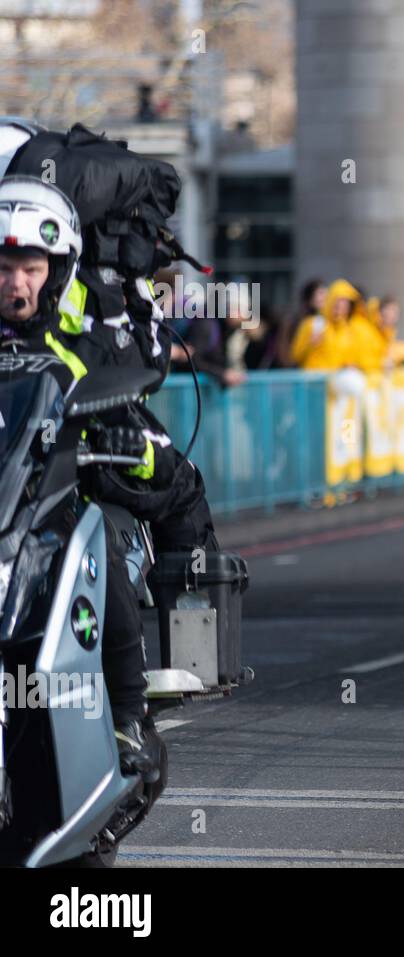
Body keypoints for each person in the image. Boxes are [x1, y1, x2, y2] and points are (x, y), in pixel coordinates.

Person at [0, 176, 162, 776]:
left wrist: (124, 440)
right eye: (3, 267)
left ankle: (127, 718)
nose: (16, 282)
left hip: (56, 508)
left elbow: (143, 435)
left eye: (30, 267)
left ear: (57, 269)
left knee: (97, 551)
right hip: (0, 513)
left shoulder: (83, 347)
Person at [289, 278, 361, 371]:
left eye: (346, 302)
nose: (341, 306)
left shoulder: (348, 329)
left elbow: (347, 357)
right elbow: (295, 356)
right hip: (314, 382)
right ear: (331, 300)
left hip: (336, 382)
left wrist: (349, 365)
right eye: (338, 300)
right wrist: (310, 344)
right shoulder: (313, 323)